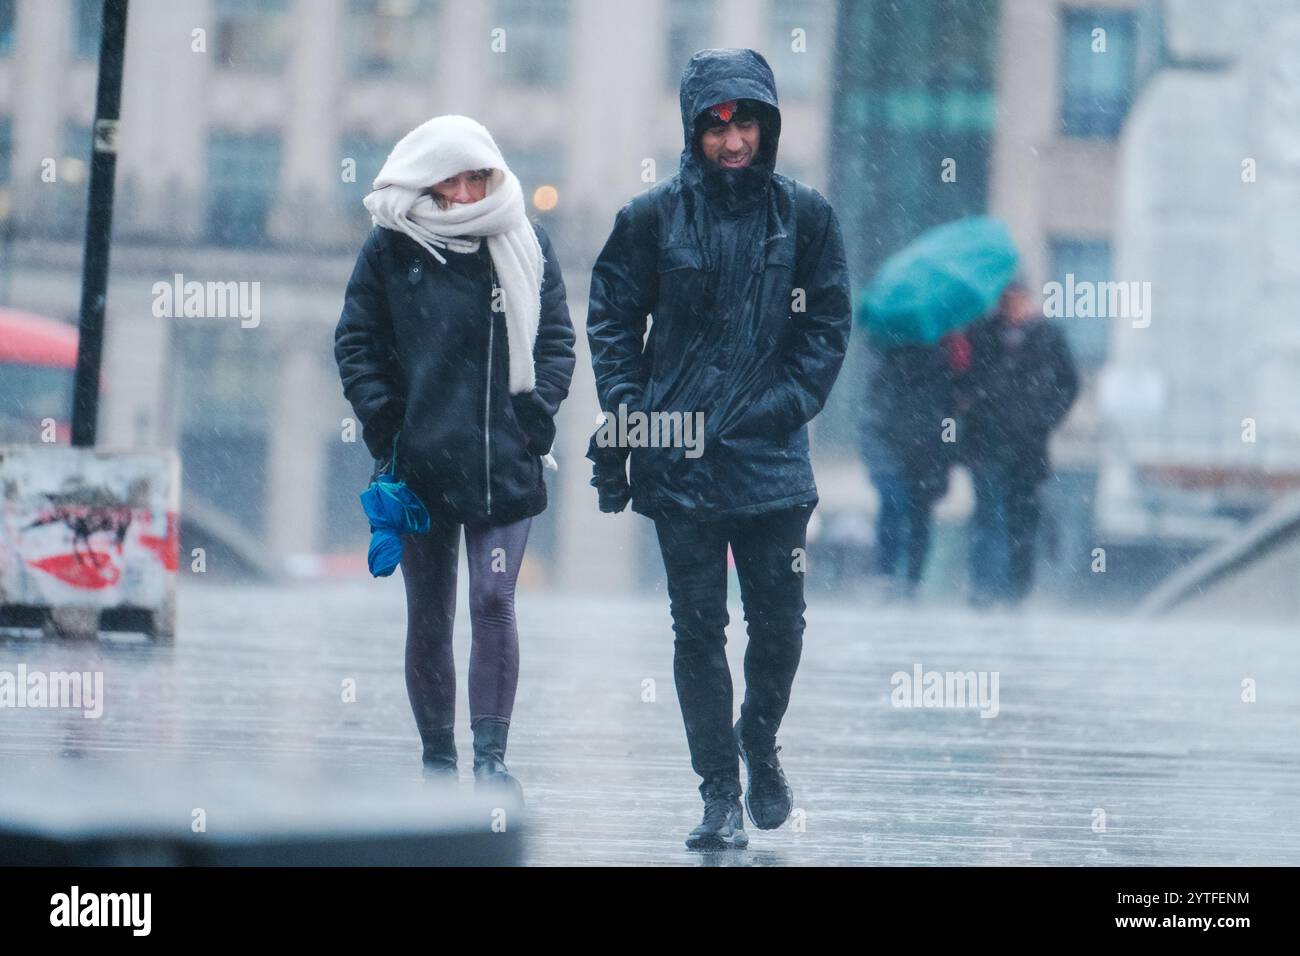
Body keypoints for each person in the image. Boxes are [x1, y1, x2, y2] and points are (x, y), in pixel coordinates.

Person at [585, 49, 851, 850]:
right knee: (696, 628)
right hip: (679, 459)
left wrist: (776, 408)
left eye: (746, 123)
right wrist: (632, 414)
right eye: (717, 125)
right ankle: (718, 795)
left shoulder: (805, 218)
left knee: (780, 625)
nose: (733, 141)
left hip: (771, 460)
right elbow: (611, 321)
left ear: (769, 125)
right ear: (694, 130)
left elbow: (827, 329)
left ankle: (759, 740)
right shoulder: (649, 220)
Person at [334, 115, 576, 800]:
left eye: (481, 175)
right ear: (426, 178)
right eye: (455, 176)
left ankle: (492, 761)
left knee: (494, 598)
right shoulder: (390, 248)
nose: (469, 190)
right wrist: (391, 430)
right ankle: (439, 760)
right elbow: (356, 341)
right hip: (421, 468)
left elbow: (557, 339)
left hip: (506, 465)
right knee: (430, 613)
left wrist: (534, 417)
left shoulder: (525, 242)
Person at [958, 281, 1078, 608]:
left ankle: (1014, 590)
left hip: (1028, 448)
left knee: (1021, 521)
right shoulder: (981, 333)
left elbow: (1069, 383)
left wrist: (1044, 417)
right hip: (985, 442)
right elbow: (963, 380)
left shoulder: (1048, 337)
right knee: (988, 515)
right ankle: (984, 587)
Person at [860, 335, 963, 599]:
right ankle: (894, 575)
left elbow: (949, 416)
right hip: (904, 451)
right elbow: (878, 412)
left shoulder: (943, 368)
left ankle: (902, 576)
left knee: (916, 515)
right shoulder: (898, 366)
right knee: (901, 511)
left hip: (924, 454)